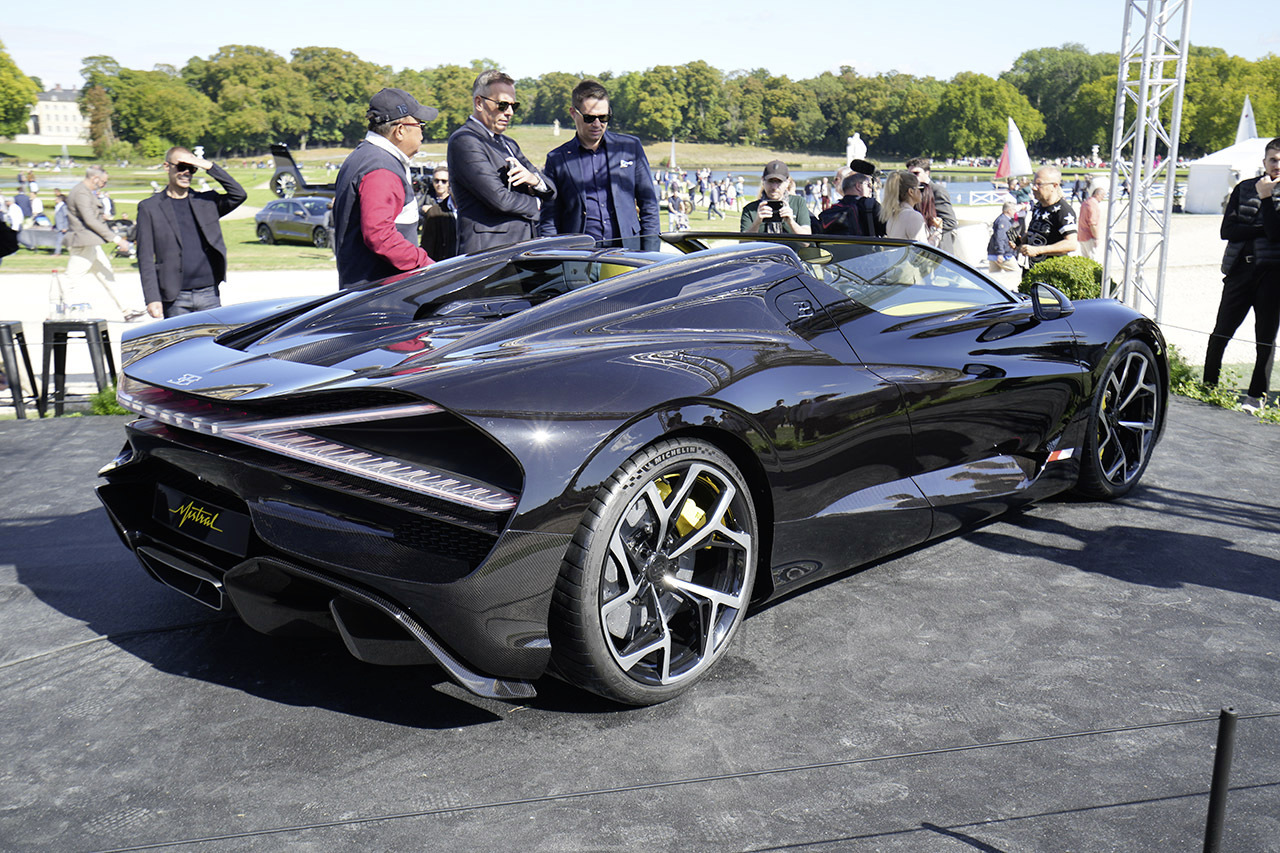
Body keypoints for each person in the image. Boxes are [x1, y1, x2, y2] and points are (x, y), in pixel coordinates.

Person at [333, 87, 439, 288]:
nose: (423, 134)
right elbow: (380, 236)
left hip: (364, 291)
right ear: (400, 130)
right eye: (421, 125)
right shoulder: (381, 168)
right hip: (380, 297)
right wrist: (425, 265)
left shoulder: (362, 157)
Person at [1203, 137, 1280, 408]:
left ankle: (1255, 396)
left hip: (1272, 275)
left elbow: (1276, 233)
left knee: (1265, 339)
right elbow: (1227, 231)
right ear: (1264, 161)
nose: (1277, 165)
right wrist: (1262, 229)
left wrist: (1267, 198)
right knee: (1221, 332)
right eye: (1273, 159)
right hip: (1239, 270)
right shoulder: (1244, 188)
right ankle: (1208, 387)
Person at [539, 79, 660, 251]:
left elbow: (649, 205)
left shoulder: (630, 148)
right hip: (578, 256)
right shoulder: (557, 158)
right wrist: (553, 258)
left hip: (627, 252)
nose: (597, 124)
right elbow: (549, 217)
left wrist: (651, 256)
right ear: (573, 113)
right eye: (589, 118)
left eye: (604, 117)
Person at [448, 70, 556, 255]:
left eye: (514, 106)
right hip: (487, 253)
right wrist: (537, 203)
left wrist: (534, 180)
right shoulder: (464, 141)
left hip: (521, 249)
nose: (510, 112)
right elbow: (500, 199)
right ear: (479, 103)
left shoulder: (508, 143)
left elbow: (550, 189)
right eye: (503, 105)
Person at [135, 147, 247, 318]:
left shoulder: (207, 202)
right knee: (180, 345)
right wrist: (152, 298)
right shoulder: (149, 208)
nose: (186, 172)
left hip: (209, 293)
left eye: (192, 168)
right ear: (167, 167)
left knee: (212, 344)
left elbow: (238, 194)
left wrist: (207, 166)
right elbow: (145, 257)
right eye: (181, 167)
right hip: (174, 296)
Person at [64, 166, 143, 320]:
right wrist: (116, 239)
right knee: (71, 279)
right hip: (83, 242)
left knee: (107, 275)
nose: (104, 185)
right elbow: (90, 220)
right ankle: (59, 312)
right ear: (95, 179)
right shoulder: (81, 192)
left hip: (91, 242)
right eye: (103, 182)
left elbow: (91, 216)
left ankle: (126, 311)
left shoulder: (85, 192)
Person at [1018, 165, 1078, 265]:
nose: (1033, 188)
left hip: (1050, 272)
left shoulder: (1063, 211)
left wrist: (1038, 250)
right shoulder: (1038, 207)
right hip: (1031, 271)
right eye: (1033, 183)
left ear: (1054, 186)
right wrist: (1020, 242)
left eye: (1039, 184)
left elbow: (1071, 244)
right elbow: (1035, 234)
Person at [741, 160, 811, 234]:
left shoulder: (798, 203)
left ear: (787, 182)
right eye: (770, 181)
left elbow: (805, 242)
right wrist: (757, 222)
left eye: (779, 182)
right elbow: (744, 243)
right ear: (763, 181)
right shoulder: (750, 210)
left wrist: (791, 222)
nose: (774, 187)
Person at [905, 157, 957, 242]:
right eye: (909, 174)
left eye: (916, 173)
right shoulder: (911, 191)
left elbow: (950, 222)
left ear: (927, 173)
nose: (912, 177)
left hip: (938, 246)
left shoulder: (937, 191)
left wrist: (929, 233)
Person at [819, 172, 881, 236]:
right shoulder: (870, 205)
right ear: (858, 186)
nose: (870, 190)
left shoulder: (832, 210)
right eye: (868, 185)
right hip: (863, 245)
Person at [420, 165, 458, 261]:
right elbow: (427, 246)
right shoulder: (433, 211)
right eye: (436, 180)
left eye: (444, 181)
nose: (439, 184)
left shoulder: (472, 210)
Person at [879, 170, 927, 241]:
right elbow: (923, 249)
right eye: (920, 189)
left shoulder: (893, 215)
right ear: (911, 192)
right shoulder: (913, 216)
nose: (921, 192)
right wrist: (937, 232)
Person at [987, 202, 1020, 273]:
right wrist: (1000, 253)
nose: (1015, 211)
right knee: (1017, 272)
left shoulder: (1004, 220)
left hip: (993, 252)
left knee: (994, 277)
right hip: (1002, 254)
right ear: (1009, 210)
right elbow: (1000, 237)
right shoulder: (1003, 221)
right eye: (1014, 209)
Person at [1077, 186, 1105, 260]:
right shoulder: (1093, 205)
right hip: (1089, 236)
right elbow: (1092, 223)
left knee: (1085, 259)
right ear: (1097, 195)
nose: (1103, 198)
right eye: (1102, 196)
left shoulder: (1086, 202)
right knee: (1094, 259)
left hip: (1081, 235)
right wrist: (1096, 238)